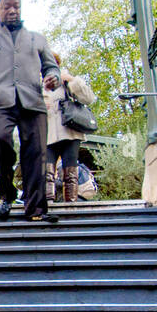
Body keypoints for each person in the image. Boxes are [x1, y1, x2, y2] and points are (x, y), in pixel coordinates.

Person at [0, 0, 60, 222]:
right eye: (7, 7)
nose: (12, 11)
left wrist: (53, 78)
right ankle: (6, 196)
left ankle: (36, 209)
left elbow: (51, 67)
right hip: (0, 104)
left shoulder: (37, 39)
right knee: (1, 141)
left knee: (36, 152)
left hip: (33, 102)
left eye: (16, 7)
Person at [43, 55, 97, 203]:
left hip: (70, 132)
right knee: (47, 172)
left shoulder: (66, 81)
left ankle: (71, 206)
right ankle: (48, 204)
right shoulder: (36, 85)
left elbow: (89, 98)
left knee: (70, 172)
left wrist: (72, 80)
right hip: (47, 134)